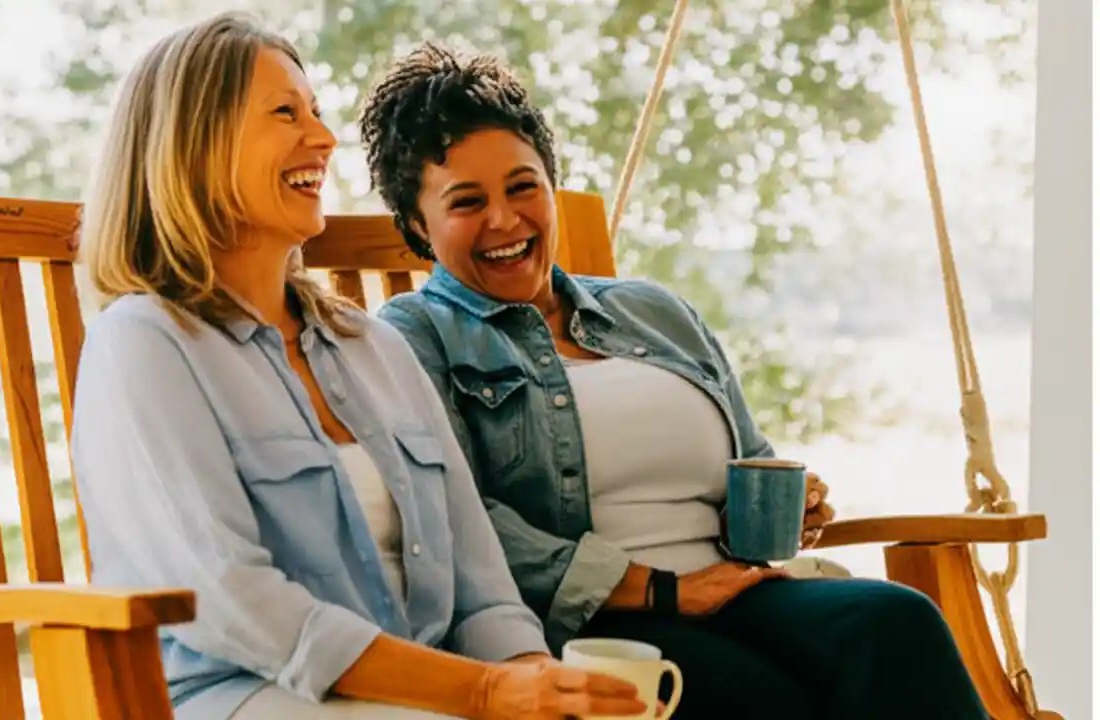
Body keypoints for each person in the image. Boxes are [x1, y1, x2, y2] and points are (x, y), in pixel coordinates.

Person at [361, 42, 990, 720]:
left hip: (740, 592)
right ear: (416, 224)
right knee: (761, 698)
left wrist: (790, 502)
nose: (505, 220)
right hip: (589, 627)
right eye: (466, 201)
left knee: (896, 622)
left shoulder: (652, 310)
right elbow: (458, 523)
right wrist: (663, 591)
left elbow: (751, 455)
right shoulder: (410, 336)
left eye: (523, 187)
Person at [70, 14, 647, 720]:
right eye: (286, 112)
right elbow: (225, 596)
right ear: (195, 143)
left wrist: (533, 679)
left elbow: (483, 586)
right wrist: (486, 692)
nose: (322, 137)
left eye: (315, 110)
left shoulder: (371, 348)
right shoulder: (146, 343)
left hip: (425, 698)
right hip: (245, 696)